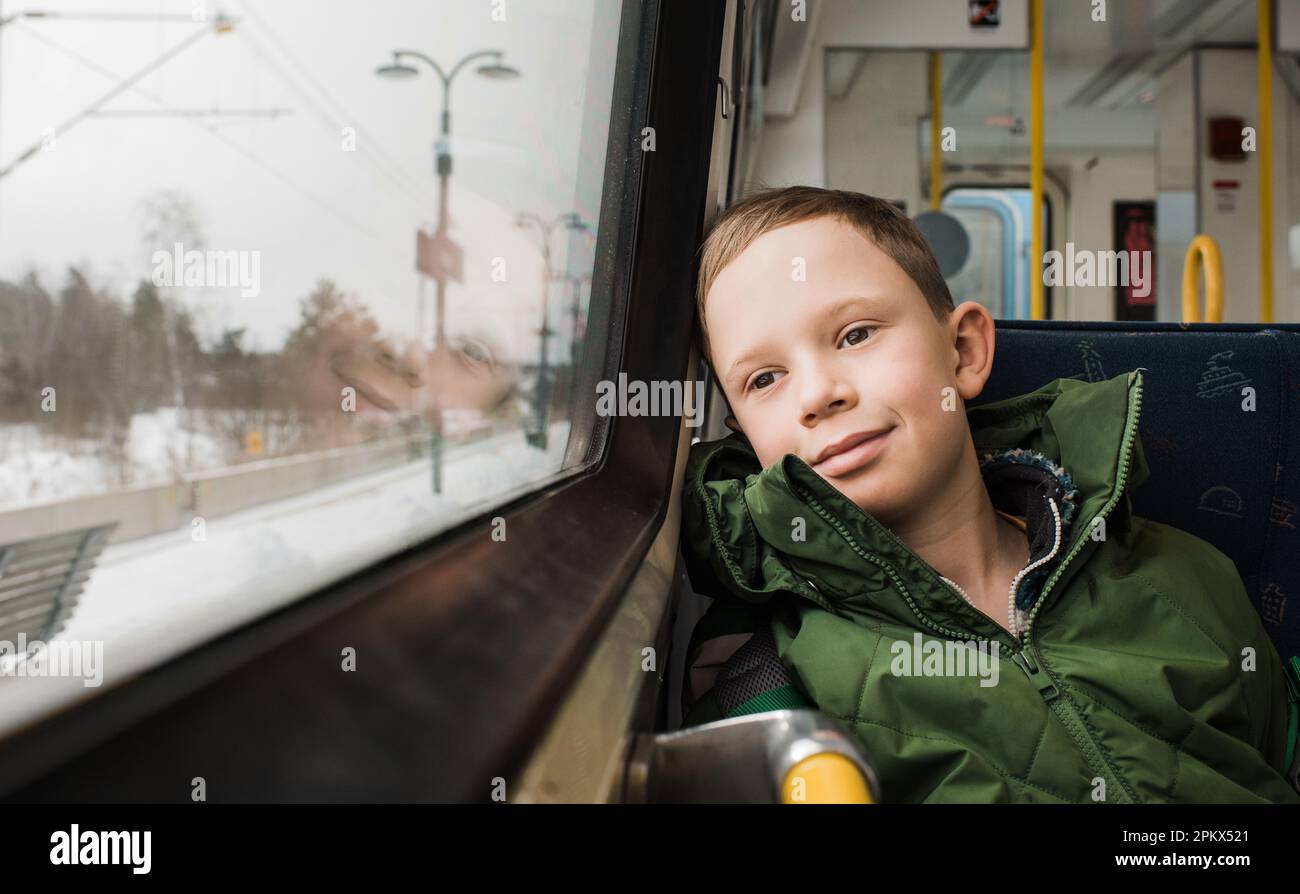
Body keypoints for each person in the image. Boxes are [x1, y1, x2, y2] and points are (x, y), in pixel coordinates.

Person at [679, 185, 1300, 803]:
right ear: (744, 434)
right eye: (764, 378)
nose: (818, 394)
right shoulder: (769, 681)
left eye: (855, 335)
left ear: (964, 351)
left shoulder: (1184, 577)